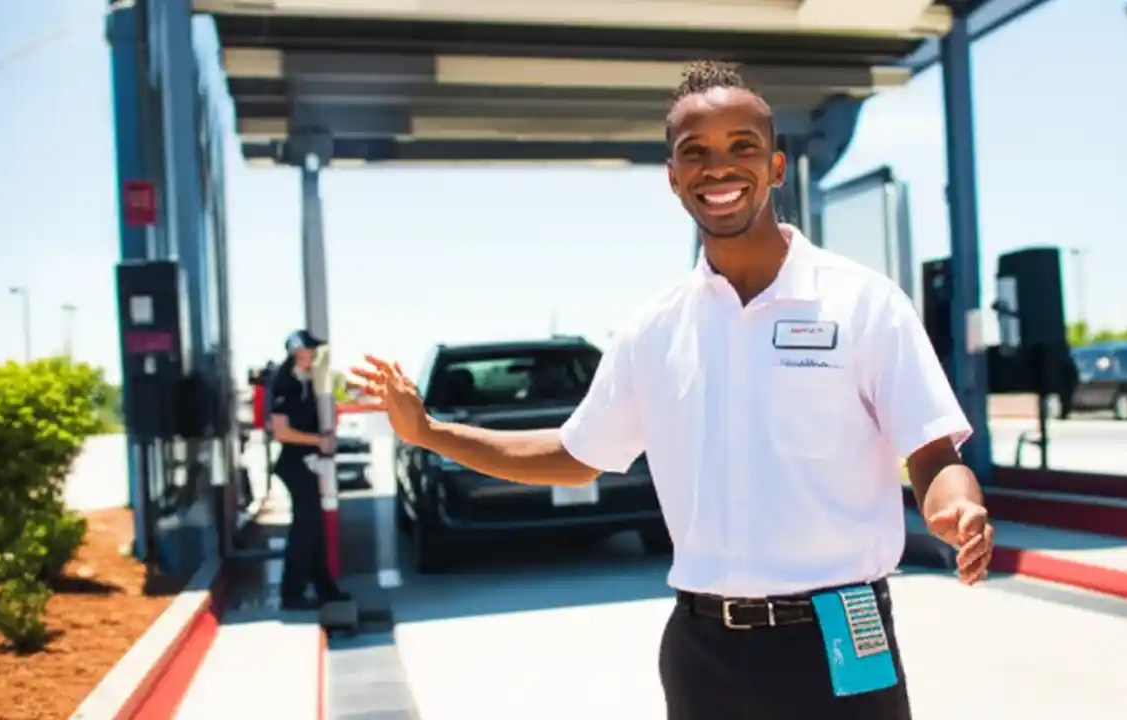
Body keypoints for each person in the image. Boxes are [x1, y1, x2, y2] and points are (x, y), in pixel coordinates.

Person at [353, 61, 994, 719]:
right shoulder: (653, 330)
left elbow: (932, 453)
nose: (718, 167)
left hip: (843, 633)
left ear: (775, 167)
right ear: (673, 177)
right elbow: (575, 455)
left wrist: (956, 505)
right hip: (704, 652)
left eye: (742, 146)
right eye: (696, 152)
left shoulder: (864, 304)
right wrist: (430, 432)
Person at [269, 329, 349, 610]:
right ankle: (291, 594)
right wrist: (319, 440)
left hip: (305, 462)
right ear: (296, 351)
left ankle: (325, 589)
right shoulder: (285, 383)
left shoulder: (303, 381)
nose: (314, 354)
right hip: (295, 463)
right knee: (305, 528)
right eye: (309, 349)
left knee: (312, 527)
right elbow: (281, 432)